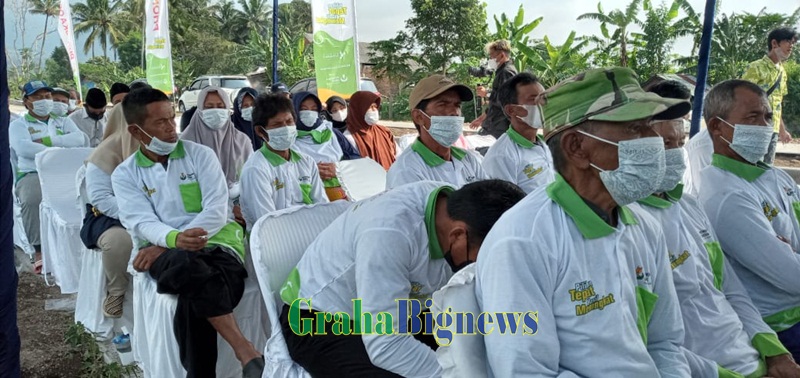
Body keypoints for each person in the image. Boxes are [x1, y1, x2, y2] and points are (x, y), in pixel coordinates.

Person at [477, 67, 692, 377]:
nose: (654, 139)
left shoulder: (642, 226)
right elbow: (526, 371)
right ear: (576, 147)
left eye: (649, 125)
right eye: (634, 128)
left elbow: (665, 343)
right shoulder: (523, 242)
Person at [280, 179, 525, 377]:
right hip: (319, 320)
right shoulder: (389, 233)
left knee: (481, 347)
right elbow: (385, 344)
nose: (486, 268)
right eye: (484, 258)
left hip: (397, 310)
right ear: (458, 235)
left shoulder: (453, 208)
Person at [633, 107, 800, 378]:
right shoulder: (630, 223)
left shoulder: (688, 205)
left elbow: (730, 290)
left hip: (750, 354)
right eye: (665, 144)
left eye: (679, 142)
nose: (676, 153)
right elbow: (653, 340)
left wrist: (773, 351)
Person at [112, 87, 264, 378]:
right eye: (161, 122)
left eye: (172, 118)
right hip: (164, 252)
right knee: (187, 265)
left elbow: (217, 211)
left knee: (193, 294)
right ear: (135, 130)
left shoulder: (200, 155)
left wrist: (170, 244)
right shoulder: (126, 174)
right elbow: (141, 222)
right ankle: (245, 349)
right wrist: (175, 242)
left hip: (217, 243)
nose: (171, 128)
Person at [698, 79, 800, 361]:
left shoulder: (772, 175)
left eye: (767, 117)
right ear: (717, 127)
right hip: (781, 327)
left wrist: (790, 251)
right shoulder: (724, 194)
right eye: (752, 117)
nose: (764, 127)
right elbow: (793, 278)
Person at [9, 80, 86, 273]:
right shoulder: (19, 125)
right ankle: (39, 251)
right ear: (27, 101)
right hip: (33, 172)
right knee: (32, 198)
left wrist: (48, 141)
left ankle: (80, 244)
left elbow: (79, 139)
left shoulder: (63, 120)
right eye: (38, 97)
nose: (45, 100)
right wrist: (59, 150)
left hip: (65, 172)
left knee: (83, 196)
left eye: (47, 96)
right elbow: (24, 148)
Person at [239, 94, 328, 228]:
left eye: (289, 121)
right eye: (277, 124)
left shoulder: (306, 162)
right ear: (260, 131)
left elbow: (322, 206)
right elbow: (268, 222)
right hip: (273, 239)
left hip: (310, 230)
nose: (286, 128)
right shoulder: (256, 169)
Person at [83, 103, 137, 318]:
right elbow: (101, 199)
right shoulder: (103, 155)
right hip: (109, 217)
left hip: (154, 212)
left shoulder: (158, 148)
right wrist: (138, 216)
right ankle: (116, 292)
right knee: (119, 242)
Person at [387, 75, 487, 189]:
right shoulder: (406, 171)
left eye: (457, 105)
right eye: (442, 104)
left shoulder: (469, 159)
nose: (454, 112)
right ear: (419, 117)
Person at [482, 72, 553, 193]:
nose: (543, 105)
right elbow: (504, 205)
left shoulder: (544, 144)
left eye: (544, 99)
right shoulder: (502, 156)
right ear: (511, 110)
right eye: (534, 99)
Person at [742, 26, 797, 165]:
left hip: (772, 131)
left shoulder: (782, 72)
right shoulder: (755, 67)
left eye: (793, 42)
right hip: (755, 128)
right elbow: (741, 99)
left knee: (767, 170)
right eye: (788, 41)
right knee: (751, 169)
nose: (791, 46)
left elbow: (778, 104)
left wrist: (782, 131)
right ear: (774, 43)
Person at [181, 86, 253, 189]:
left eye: (220, 106)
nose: (216, 111)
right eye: (209, 107)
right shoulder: (185, 144)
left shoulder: (242, 142)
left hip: (239, 203)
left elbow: (251, 179)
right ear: (200, 109)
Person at [292, 91, 359, 200]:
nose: (309, 113)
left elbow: (356, 160)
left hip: (343, 196)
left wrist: (338, 169)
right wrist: (309, 173)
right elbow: (283, 173)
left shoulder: (331, 132)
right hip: (308, 199)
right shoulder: (289, 139)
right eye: (304, 109)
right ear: (294, 110)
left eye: (314, 109)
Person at [469, 40, 517, 138]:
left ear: (502, 55)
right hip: (494, 126)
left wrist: (486, 93)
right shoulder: (502, 71)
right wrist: (481, 119)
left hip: (500, 129)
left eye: (492, 56)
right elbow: (496, 105)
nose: (490, 59)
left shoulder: (506, 72)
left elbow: (506, 99)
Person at [344, 91, 397, 170]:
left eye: (375, 107)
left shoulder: (384, 131)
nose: (374, 110)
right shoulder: (349, 137)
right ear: (359, 109)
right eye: (370, 107)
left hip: (391, 179)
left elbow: (398, 155)